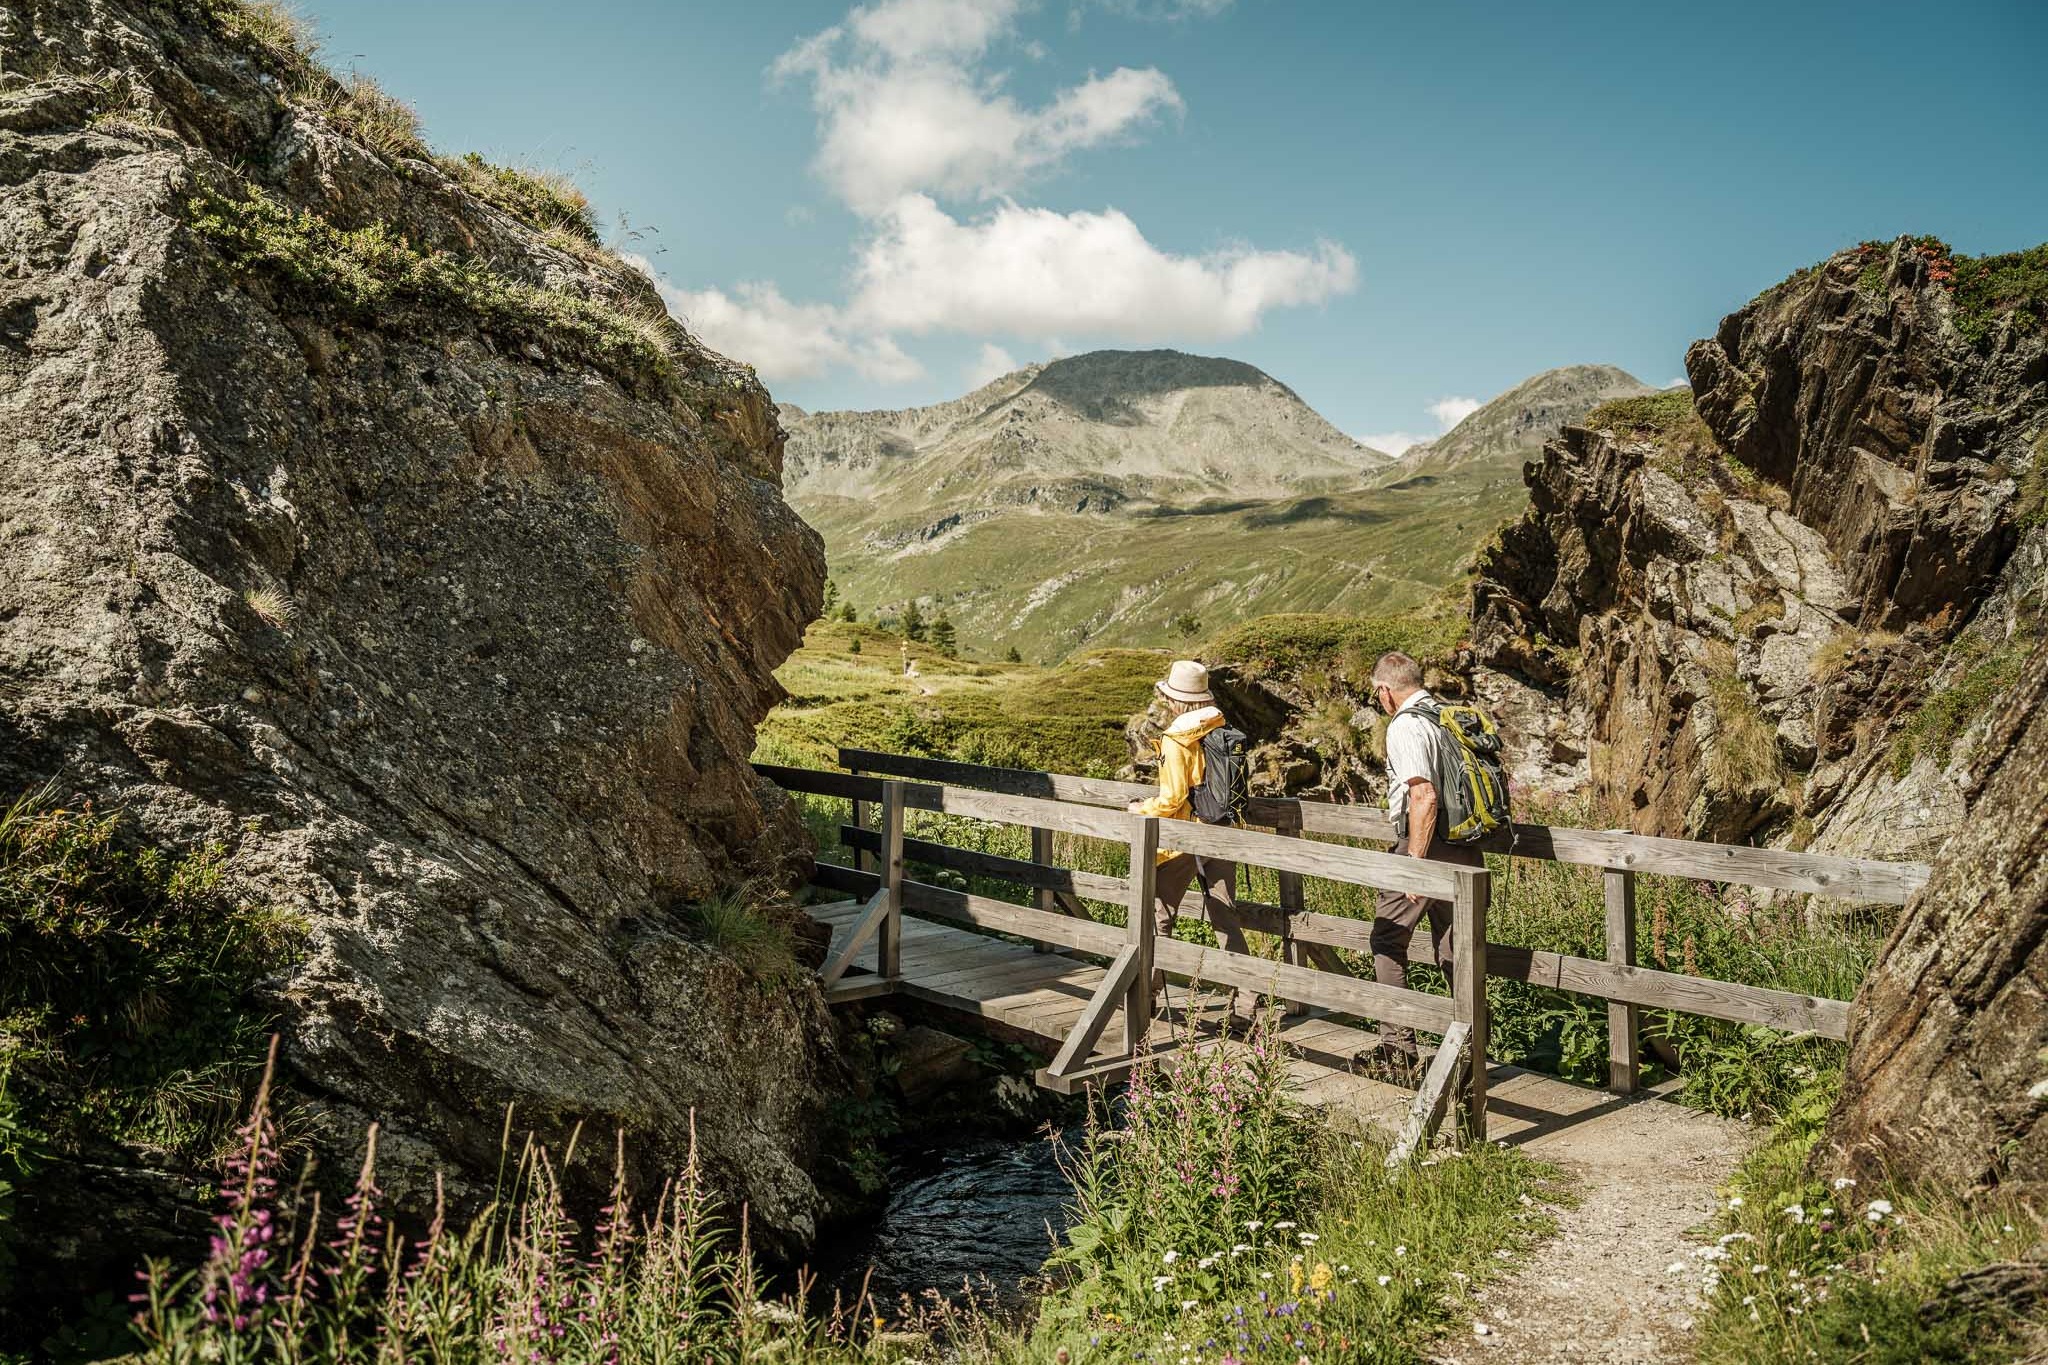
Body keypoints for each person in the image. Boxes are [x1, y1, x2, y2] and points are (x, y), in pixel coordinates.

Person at [1365, 650, 1484, 1073]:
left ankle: (1398, 1052)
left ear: (1385, 691)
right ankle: (1469, 1056)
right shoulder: (1447, 716)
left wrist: (1413, 863)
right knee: (1457, 949)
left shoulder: (1407, 726)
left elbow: (1423, 795)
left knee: (1388, 938)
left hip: (1428, 845)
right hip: (1467, 843)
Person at [1125, 660, 1256, 1024]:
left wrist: (1140, 809)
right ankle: (1245, 1005)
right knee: (1224, 916)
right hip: (1222, 832)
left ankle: (1147, 995)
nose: (1166, 703)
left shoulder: (1177, 737)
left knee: (1158, 912)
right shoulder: (1220, 726)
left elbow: (1172, 798)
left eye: (1168, 697)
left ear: (1176, 700)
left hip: (1187, 835)